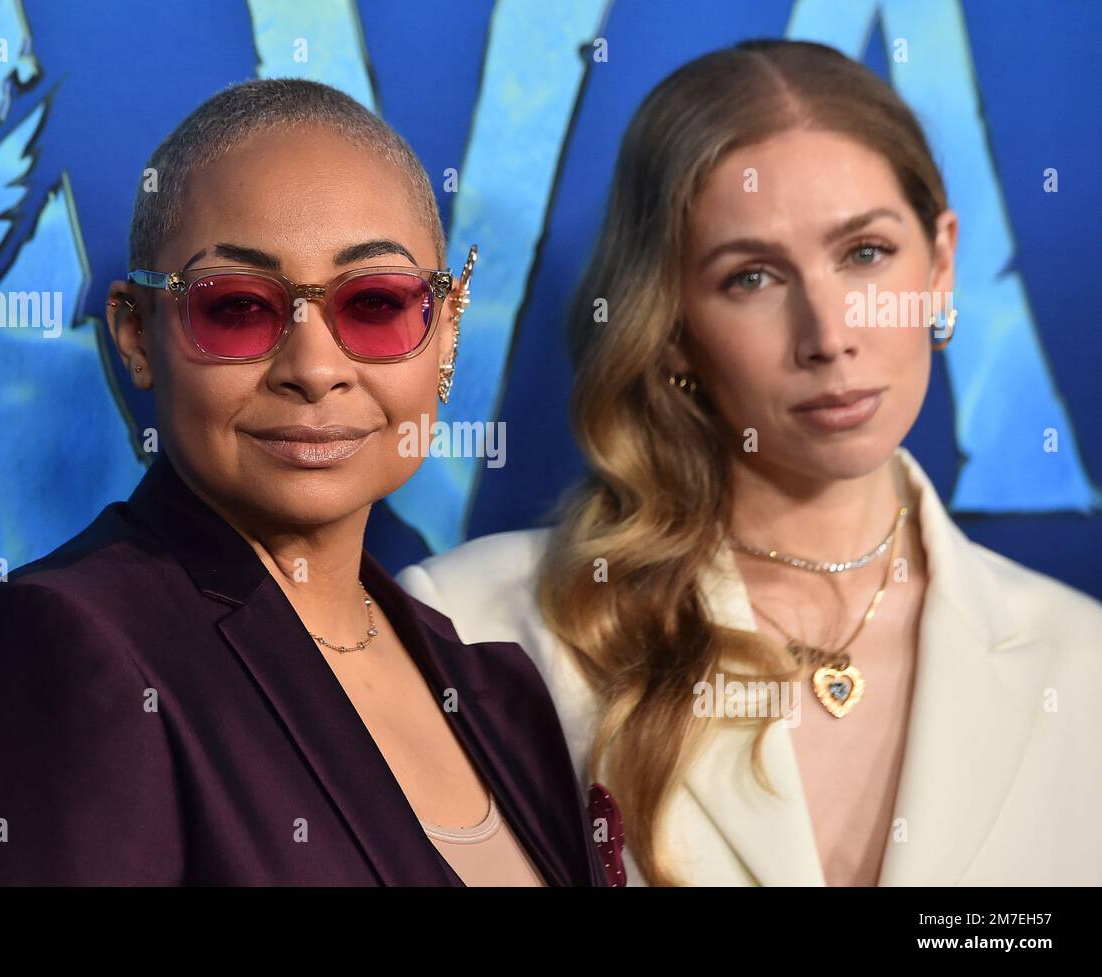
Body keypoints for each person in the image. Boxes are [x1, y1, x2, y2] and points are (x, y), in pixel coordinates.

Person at [0, 78, 617, 886]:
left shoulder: (498, 693)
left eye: (375, 303)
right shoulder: (57, 651)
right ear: (137, 334)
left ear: (443, 332)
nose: (314, 370)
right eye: (238, 307)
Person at [397, 39, 1102, 886]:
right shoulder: (478, 630)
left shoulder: (1081, 662)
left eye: (866, 255)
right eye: (753, 277)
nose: (829, 334)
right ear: (668, 323)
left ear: (942, 264)